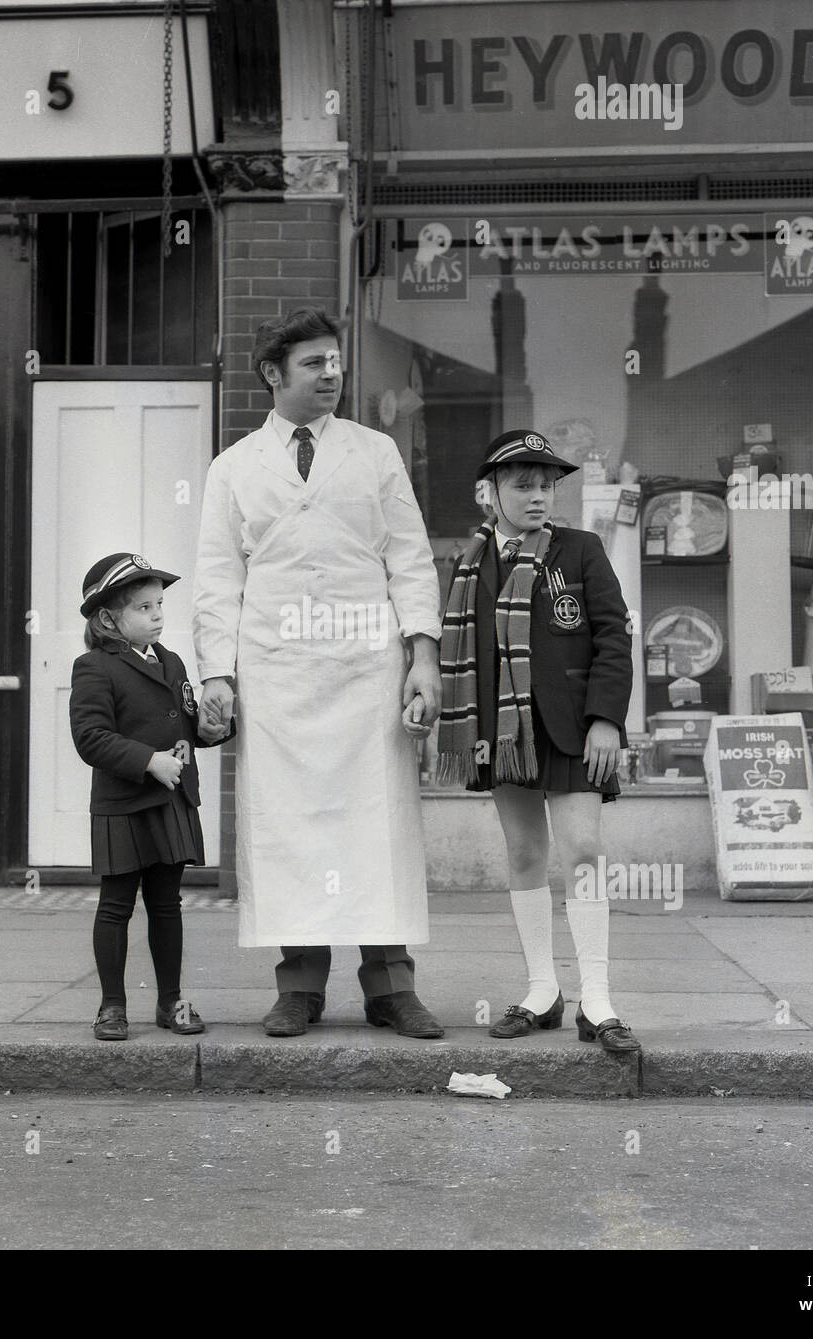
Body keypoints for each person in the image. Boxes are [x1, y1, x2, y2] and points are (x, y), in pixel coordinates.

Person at [191, 307, 446, 1039]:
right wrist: (219, 677)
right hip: (278, 677)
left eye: (336, 361)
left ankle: (391, 987)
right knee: (289, 829)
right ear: (274, 374)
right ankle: (299, 986)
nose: (332, 374)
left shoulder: (375, 454)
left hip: (368, 669)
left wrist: (422, 655)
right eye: (314, 363)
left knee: (379, 825)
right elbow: (216, 581)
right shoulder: (233, 468)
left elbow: (410, 558)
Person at [437, 430, 640, 1052]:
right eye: (522, 484)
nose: (537, 496)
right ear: (488, 493)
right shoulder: (467, 565)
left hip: (575, 729)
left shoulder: (580, 550)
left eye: (546, 485)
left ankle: (596, 999)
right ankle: (542, 990)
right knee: (525, 853)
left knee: (582, 851)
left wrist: (606, 718)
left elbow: (613, 634)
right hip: (503, 732)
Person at [69, 552, 231, 1042]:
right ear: (108, 619)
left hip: (170, 802)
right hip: (124, 804)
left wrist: (210, 729)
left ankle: (170, 1001)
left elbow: (183, 725)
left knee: (167, 905)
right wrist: (148, 760)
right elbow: (91, 738)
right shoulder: (93, 667)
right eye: (143, 607)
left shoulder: (173, 662)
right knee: (116, 905)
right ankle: (112, 1006)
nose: (158, 614)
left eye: (159, 604)